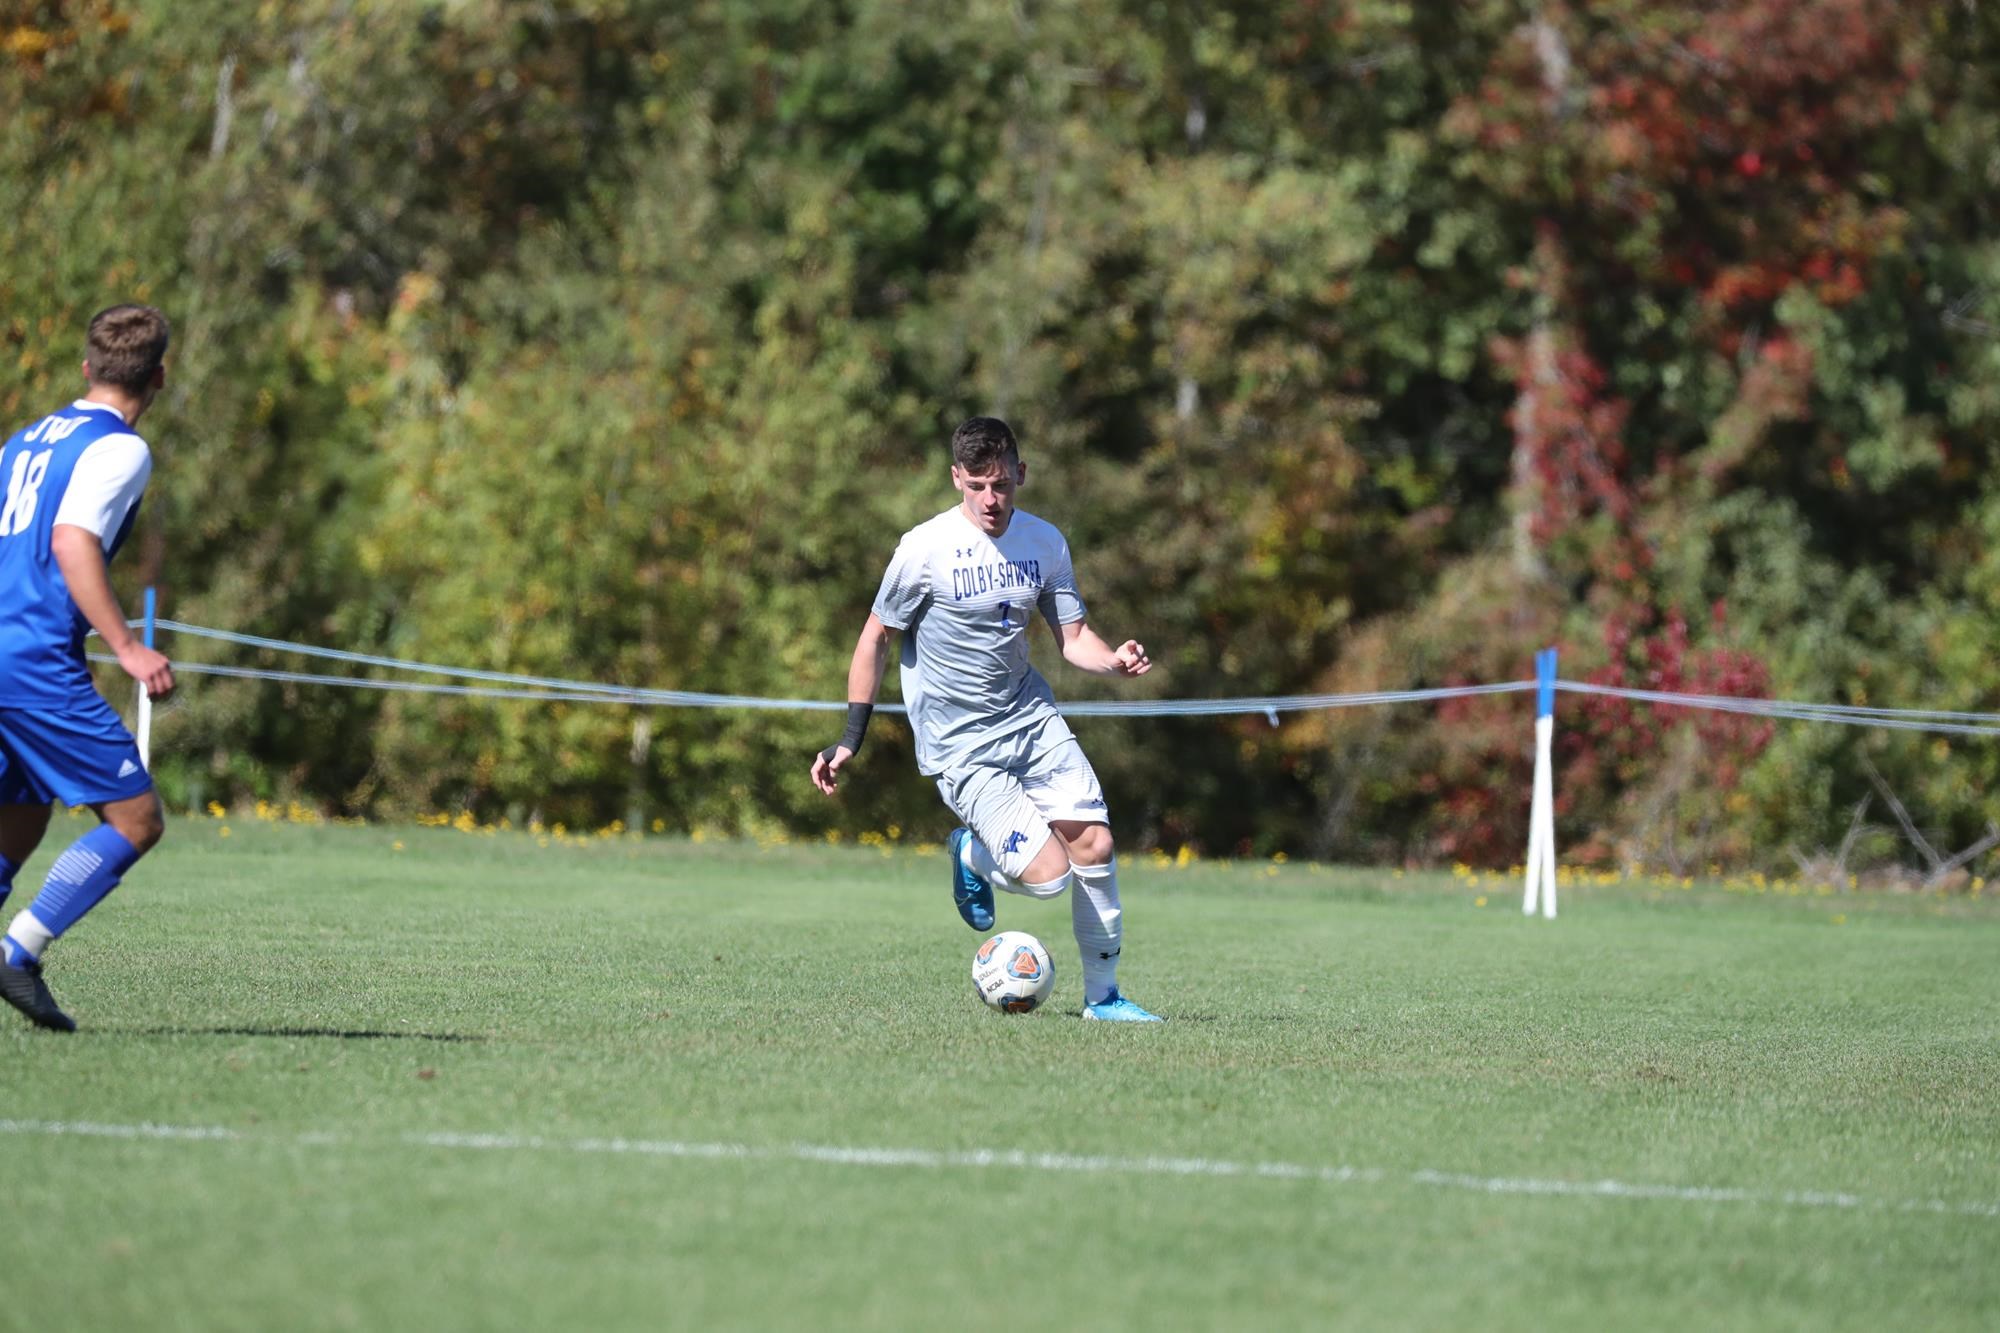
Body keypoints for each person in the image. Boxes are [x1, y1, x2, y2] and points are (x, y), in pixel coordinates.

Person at [811, 416, 1162, 1021]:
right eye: (976, 486)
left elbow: (1073, 638)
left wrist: (1113, 661)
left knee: (1097, 846)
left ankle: (1104, 1000)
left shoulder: (1045, 543)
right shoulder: (922, 549)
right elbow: (874, 640)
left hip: (1029, 716)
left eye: (1000, 484)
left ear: (1020, 475)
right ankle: (972, 854)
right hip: (961, 744)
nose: (990, 499)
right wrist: (850, 738)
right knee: (1051, 878)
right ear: (956, 479)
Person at [0, 304, 176, 1031]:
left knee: (21, 812)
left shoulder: (26, 439)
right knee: (136, 819)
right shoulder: (121, 448)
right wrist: (129, 647)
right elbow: (73, 543)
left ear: (86, 369)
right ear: (159, 377)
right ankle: (19, 953)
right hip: (33, 658)